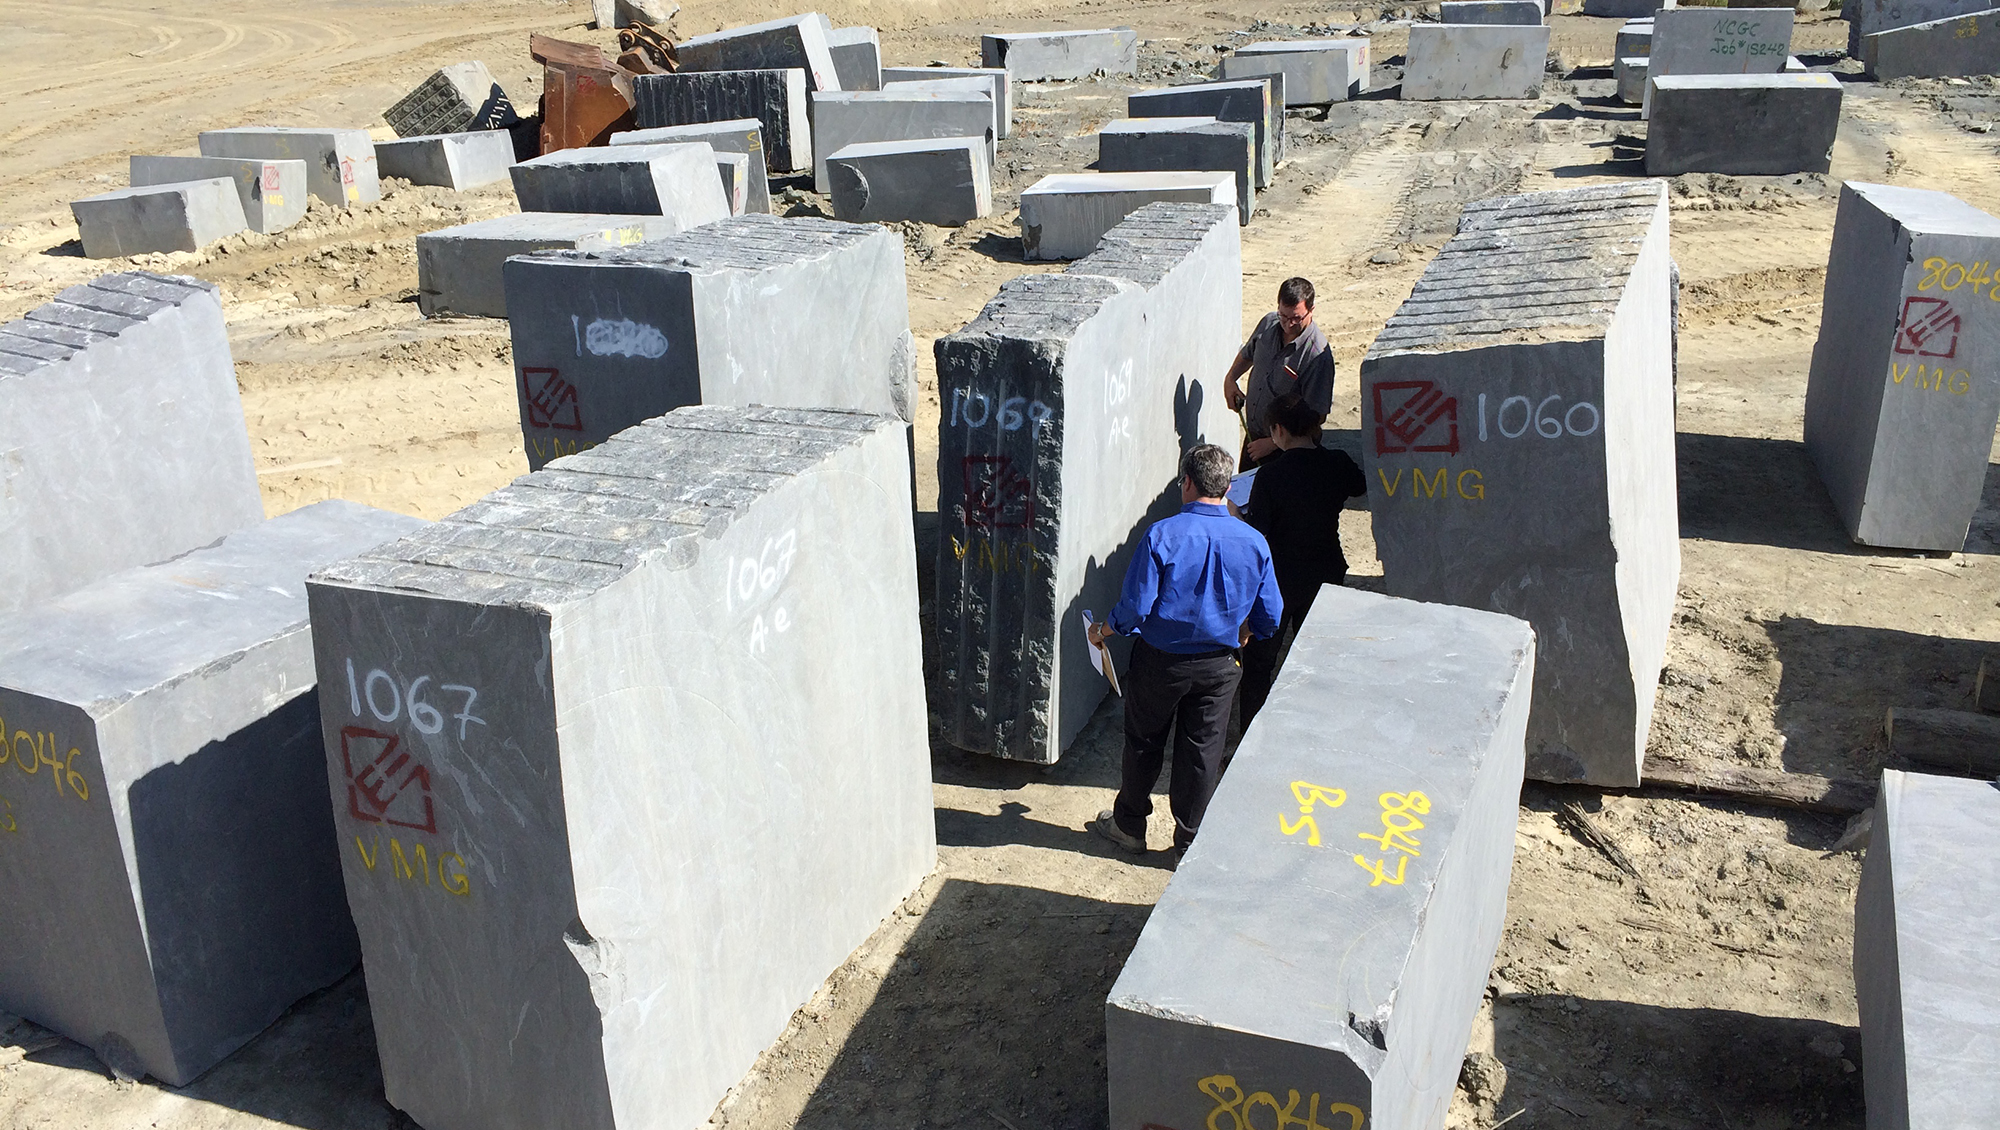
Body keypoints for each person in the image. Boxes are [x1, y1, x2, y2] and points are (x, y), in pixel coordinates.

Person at [1086, 444, 1284, 860]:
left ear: (1188, 483)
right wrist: (1250, 632)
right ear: (1229, 487)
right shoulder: (1254, 542)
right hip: (1220, 665)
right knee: (1202, 751)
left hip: (1160, 661)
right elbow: (1272, 612)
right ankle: (1189, 843)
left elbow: (1137, 606)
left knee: (1143, 740)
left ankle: (1130, 825)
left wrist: (1103, 630)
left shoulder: (1163, 534)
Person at [1235, 393, 1366, 728]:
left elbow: (1258, 532)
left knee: (1260, 665)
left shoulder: (1271, 477)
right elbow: (1360, 485)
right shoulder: (1336, 463)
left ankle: (1253, 734)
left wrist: (1235, 515)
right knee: (1318, 658)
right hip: (1325, 572)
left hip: (1280, 581)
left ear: (1278, 431)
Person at [1222, 277, 1335, 467]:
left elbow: (1317, 416)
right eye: (1283, 316)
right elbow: (1248, 354)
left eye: (1296, 318)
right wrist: (1230, 379)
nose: (1288, 324)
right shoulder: (1268, 323)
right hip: (1254, 440)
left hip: (1290, 454)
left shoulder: (1317, 355)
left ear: (1311, 310)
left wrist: (1273, 443)